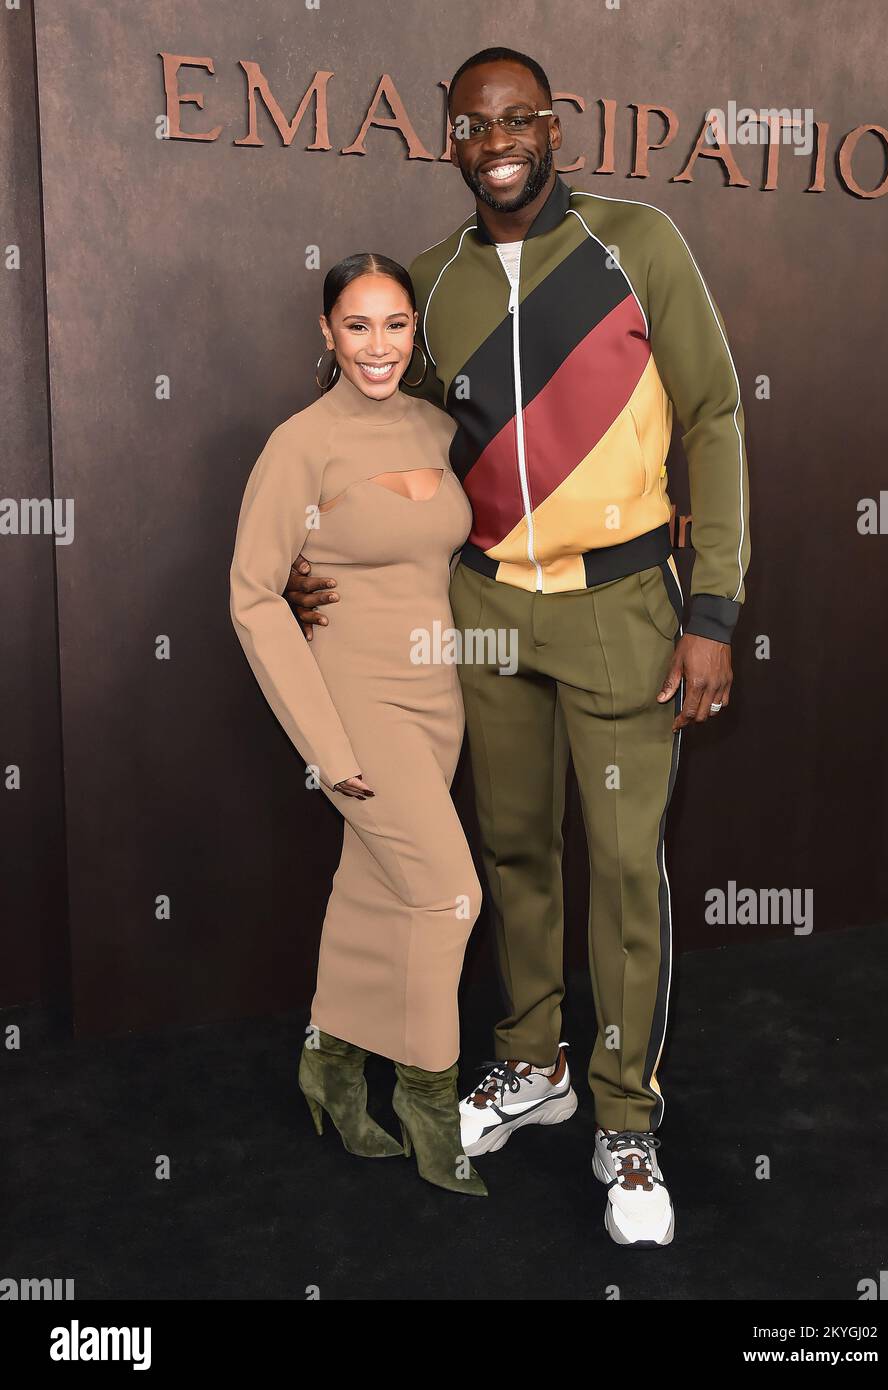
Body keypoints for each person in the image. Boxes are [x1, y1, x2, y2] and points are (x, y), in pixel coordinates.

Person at [284, 47, 751, 1246]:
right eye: (472, 122)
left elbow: (714, 412)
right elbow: (388, 440)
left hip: (624, 607)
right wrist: (309, 552)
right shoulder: (430, 281)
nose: (496, 138)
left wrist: (713, 609)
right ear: (449, 140)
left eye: (517, 117)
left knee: (622, 868)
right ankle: (530, 1061)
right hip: (485, 608)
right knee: (513, 850)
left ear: (554, 127)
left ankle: (625, 1118)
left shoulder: (634, 246)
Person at [229, 253, 486, 1197]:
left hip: (438, 700)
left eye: (395, 325)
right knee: (449, 896)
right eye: (357, 326)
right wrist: (326, 749)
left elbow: (454, 552)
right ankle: (429, 1103)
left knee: (377, 887)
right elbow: (254, 597)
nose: (378, 346)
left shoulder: (433, 425)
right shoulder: (303, 443)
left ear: (415, 332)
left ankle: (330, 1068)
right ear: (327, 335)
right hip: (353, 703)